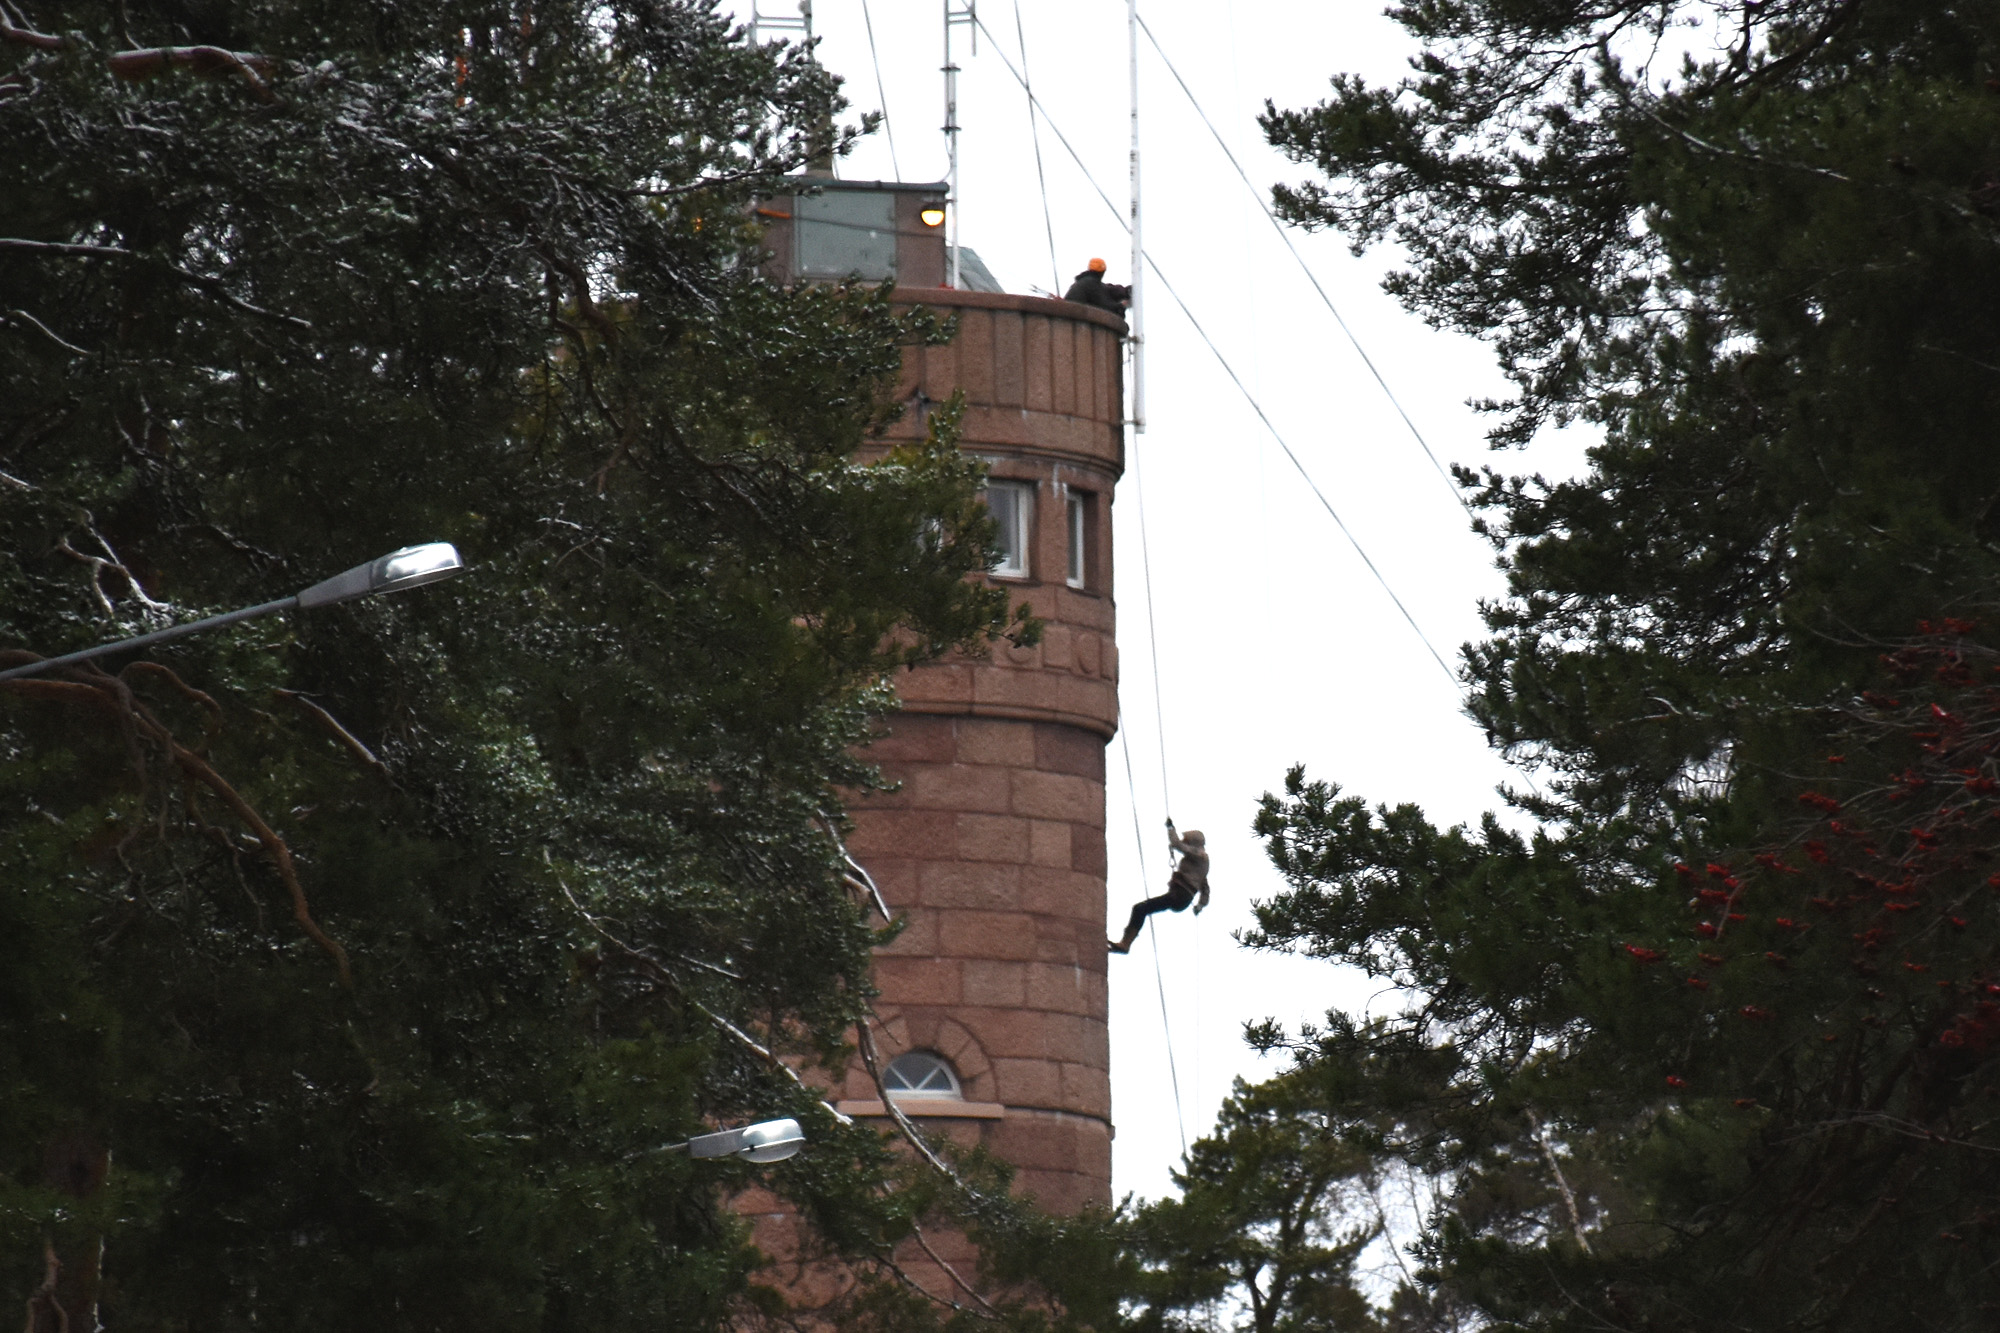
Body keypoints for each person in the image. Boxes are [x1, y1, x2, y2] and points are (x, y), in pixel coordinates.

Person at [1109, 819, 1208, 954]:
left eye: (1187, 840)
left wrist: (1170, 829)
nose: (1184, 842)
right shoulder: (1202, 863)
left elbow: (1177, 844)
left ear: (1193, 843)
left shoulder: (1199, 855)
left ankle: (1125, 944)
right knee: (1141, 909)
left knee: (1140, 908)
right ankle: (1125, 943)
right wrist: (1199, 906)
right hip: (1181, 897)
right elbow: (1205, 889)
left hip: (1180, 895)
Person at [1063, 257, 1131, 318]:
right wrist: (1120, 306)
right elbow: (1104, 306)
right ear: (1103, 272)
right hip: (1076, 319)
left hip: (1070, 316)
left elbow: (1106, 290)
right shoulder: (1092, 283)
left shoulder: (1083, 281)